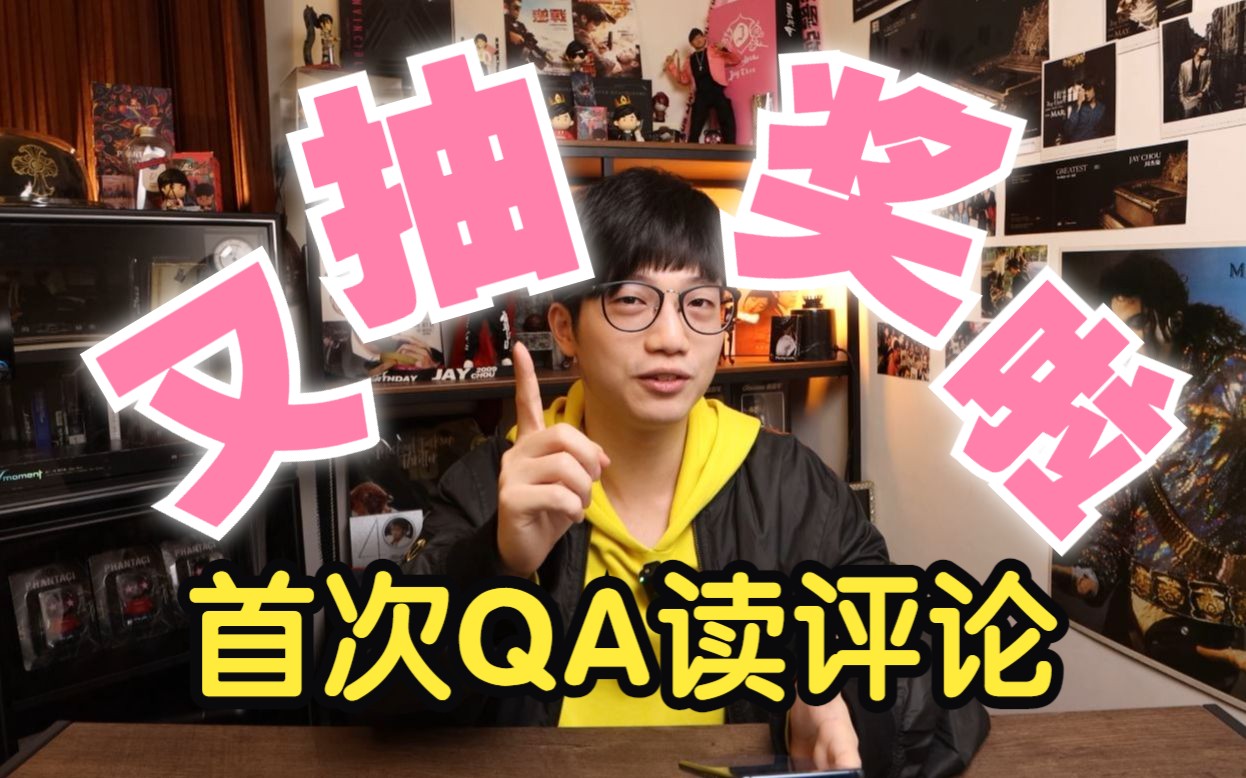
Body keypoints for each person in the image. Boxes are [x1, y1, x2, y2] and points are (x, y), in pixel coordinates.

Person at [405, 168, 989, 776]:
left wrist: (830, 694)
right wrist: (495, 563)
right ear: (564, 329)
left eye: (701, 303)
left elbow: (929, 674)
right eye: (632, 300)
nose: (671, 338)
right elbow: (380, 692)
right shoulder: (489, 488)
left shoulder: (790, 487)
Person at [1056, 253, 1246, 694]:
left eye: (1137, 324)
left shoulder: (1233, 378)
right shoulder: (1127, 390)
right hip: (1130, 611)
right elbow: (1121, 505)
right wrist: (1095, 569)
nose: (1125, 341)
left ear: (1172, 320)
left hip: (1202, 627)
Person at [665, 29, 741, 144]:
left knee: (727, 118)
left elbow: (736, 59)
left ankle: (731, 147)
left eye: (699, 36)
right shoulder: (689, 60)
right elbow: (683, 79)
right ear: (691, 44)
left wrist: (725, 48)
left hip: (717, 91)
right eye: (694, 39)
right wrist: (671, 66)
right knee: (695, 125)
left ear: (704, 37)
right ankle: (692, 149)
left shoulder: (715, 51)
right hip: (701, 94)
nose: (698, 40)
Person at [1177, 42, 1212, 119]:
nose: (1205, 49)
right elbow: (1180, 82)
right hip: (1188, 99)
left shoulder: (1207, 63)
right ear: (1195, 50)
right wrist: (1182, 99)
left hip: (1200, 98)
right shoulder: (1184, 65)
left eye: (1205, 47)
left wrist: (1203, 92)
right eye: (1202, 47)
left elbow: (1209, 80)